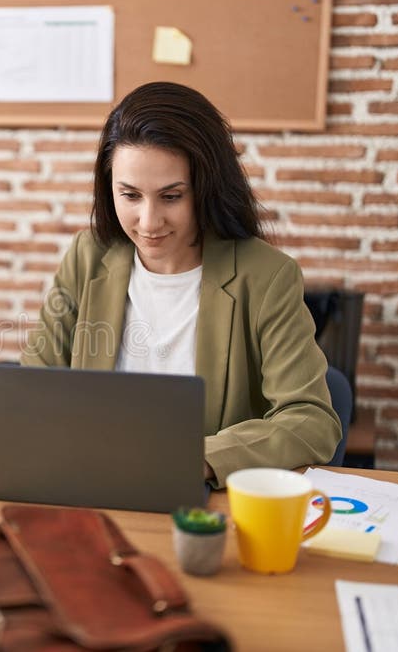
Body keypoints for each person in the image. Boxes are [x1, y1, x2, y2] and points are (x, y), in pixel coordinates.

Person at [22, 81, 340, 488]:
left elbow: (311, 420)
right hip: (93, 488)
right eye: (131, 195)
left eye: (171, 196)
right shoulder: (88, 256)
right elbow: (35, 384)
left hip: (198, 504)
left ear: (206, 188)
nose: (149, 222)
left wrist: (199, 460)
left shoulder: (265, 276)